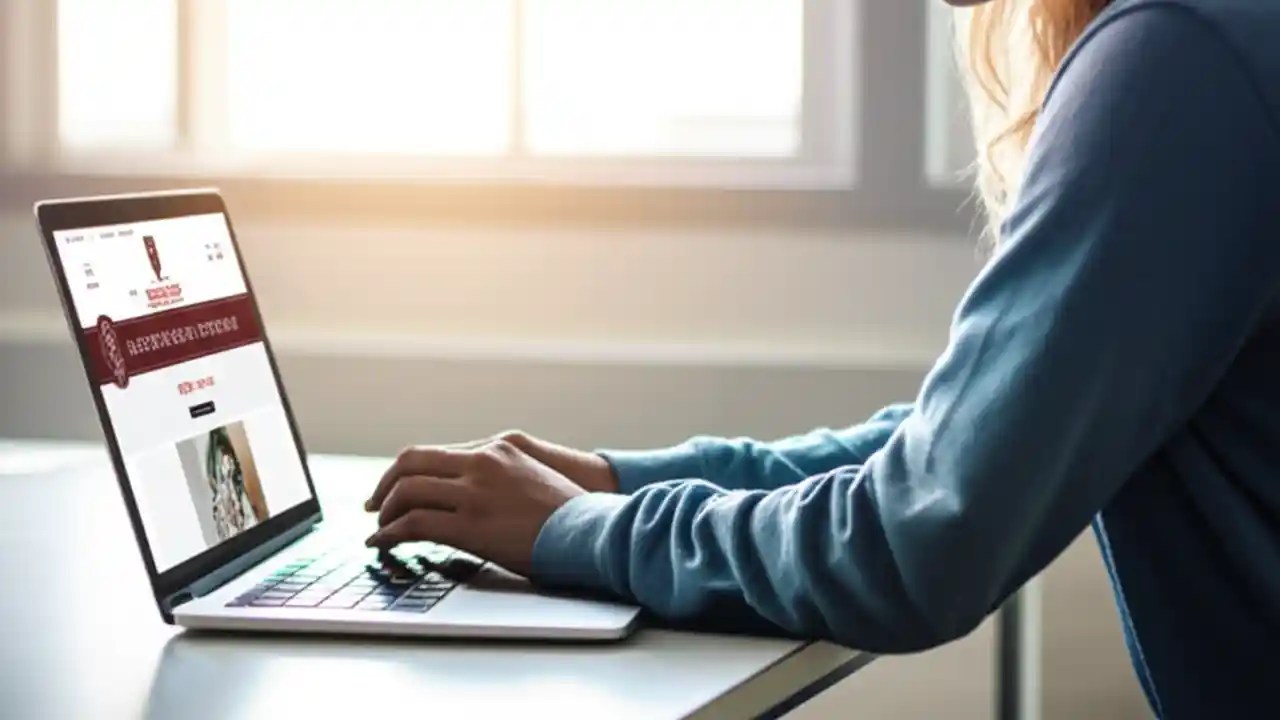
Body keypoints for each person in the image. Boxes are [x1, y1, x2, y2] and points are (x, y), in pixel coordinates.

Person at [364, 0, 1280, 715]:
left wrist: (579, 531)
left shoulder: (1180, 59)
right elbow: (966, 446)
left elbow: (915, 543)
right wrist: (619, 484)